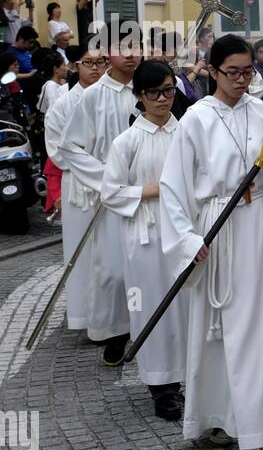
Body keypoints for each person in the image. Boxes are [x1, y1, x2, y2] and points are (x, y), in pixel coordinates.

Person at [159, 35, 263, 450]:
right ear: (212, 70)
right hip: (218, 229)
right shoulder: (195, 120)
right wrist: (188, 239)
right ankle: (224, 417)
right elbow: (174, 185)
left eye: (249, 72)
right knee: (223, 328)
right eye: (233, 72)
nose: (242, 80)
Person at [100, 60, 188, 420]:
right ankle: (161, 388)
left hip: (183, 231)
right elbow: (111, 192)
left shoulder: (185, 131)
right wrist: (154, 191)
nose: (163, 99)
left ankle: (188, 379)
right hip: (147, 235)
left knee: (185, 307)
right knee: (153, 308)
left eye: (169, 91)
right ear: (140, 97)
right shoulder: (128, 141)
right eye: (154, 93)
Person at [58, 30, 140, 364]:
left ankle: (150, 326)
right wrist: (105, 179)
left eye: (136, 47)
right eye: (123, 48)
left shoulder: (153, 88)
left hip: (152, 191)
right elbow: (71, 147)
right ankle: (114, 331)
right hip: (112, 194)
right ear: (107, 52)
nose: (131, 54)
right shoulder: (93, 97)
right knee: (112, 269)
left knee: (149, 265)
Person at [44, 50, 106, 330]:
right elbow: (58, 152)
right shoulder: (63, 105)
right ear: (75, 66)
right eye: (88, 63)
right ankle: (83, 315)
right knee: (81, 253)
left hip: (111, 183)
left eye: (100, 62)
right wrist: (96, 169)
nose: (95, 68)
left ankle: (115, 315)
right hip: (79, 186)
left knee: (110, 251)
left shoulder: (111, 97)